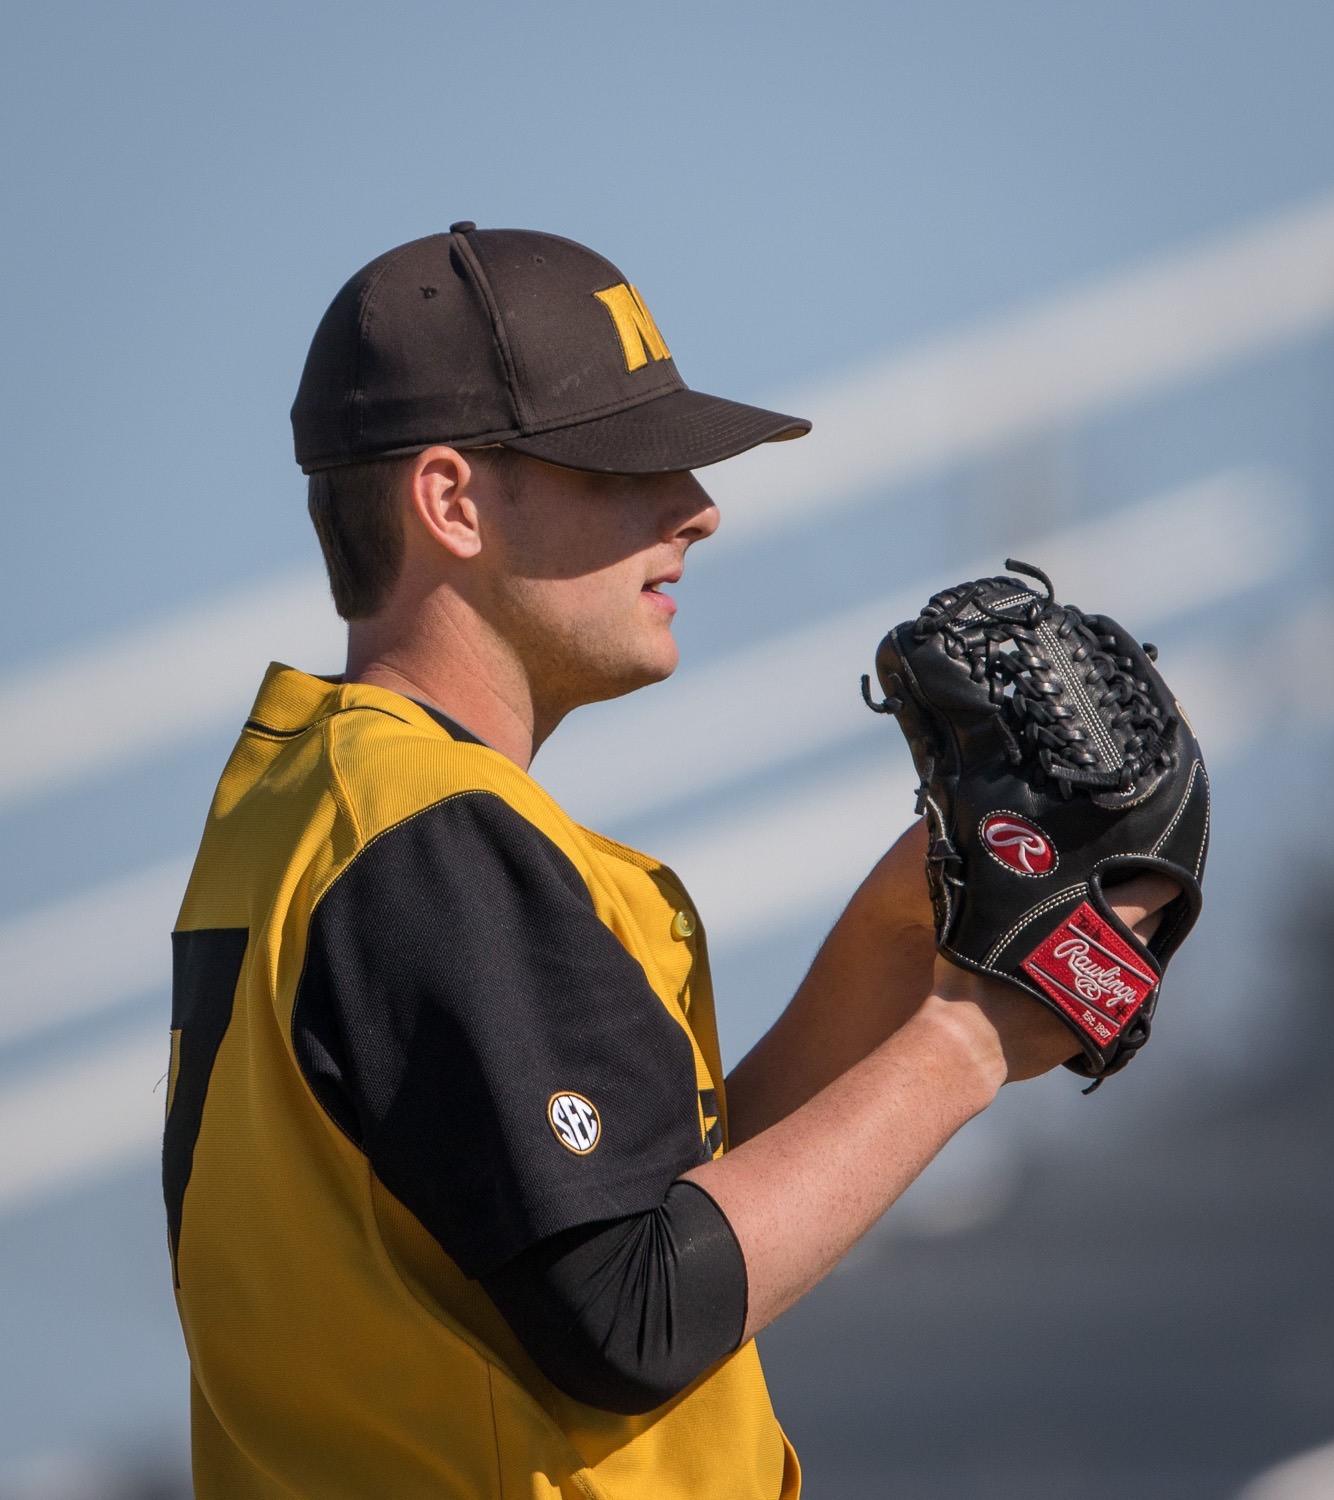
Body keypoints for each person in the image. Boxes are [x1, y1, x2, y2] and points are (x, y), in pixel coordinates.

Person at [165, 224, 1173, 1499]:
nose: (695, 507)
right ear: (449, 501)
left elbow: (640, 1224)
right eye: (616, 468)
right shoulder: (432, 834)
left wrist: (903, 938)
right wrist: (967, 1043)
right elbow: (632, 1313)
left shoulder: (315, 803)